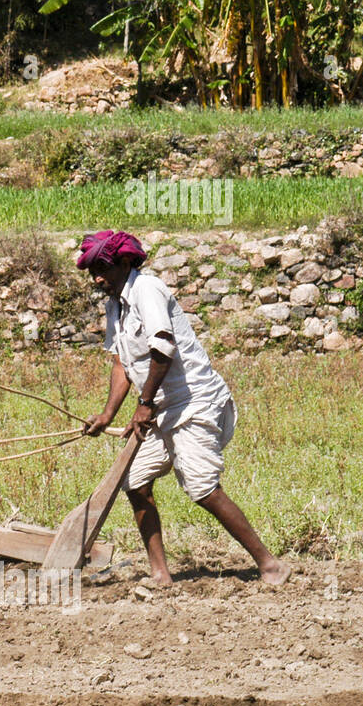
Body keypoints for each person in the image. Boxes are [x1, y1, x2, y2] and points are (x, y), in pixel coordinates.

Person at [78, 230, 290, 586]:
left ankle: (270, 564)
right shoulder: (114, 304)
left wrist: (143, 406)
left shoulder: (147, 290)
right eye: (92, 271)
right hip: (161, 407)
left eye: (102, 268)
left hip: (195, 402)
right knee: (136, 482)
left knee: (202, 487)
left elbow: (164, 349)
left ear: (126, 262)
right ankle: (160, 574)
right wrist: (107, 415)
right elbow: (121, 364)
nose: (97, 277)